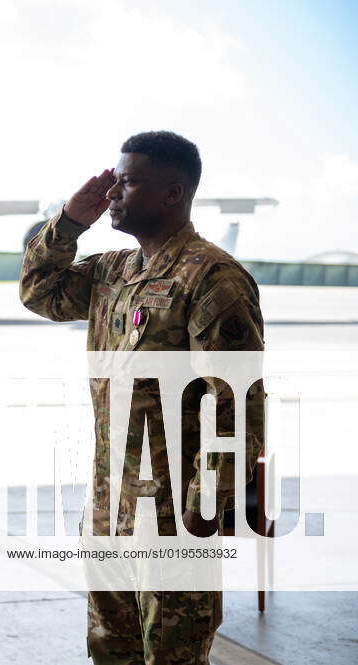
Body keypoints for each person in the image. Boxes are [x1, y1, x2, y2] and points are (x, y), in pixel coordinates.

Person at [19, 131, 264, 664]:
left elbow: (237, 404)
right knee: (111, 647)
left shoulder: (212, 276)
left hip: (173, 512)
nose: (113, 195)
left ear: (172, 194)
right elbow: (39, 291)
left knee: (172, 654)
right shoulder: (116, 271)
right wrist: (69, 221)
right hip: (110, 504)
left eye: (127, 183)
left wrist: (202, 509)